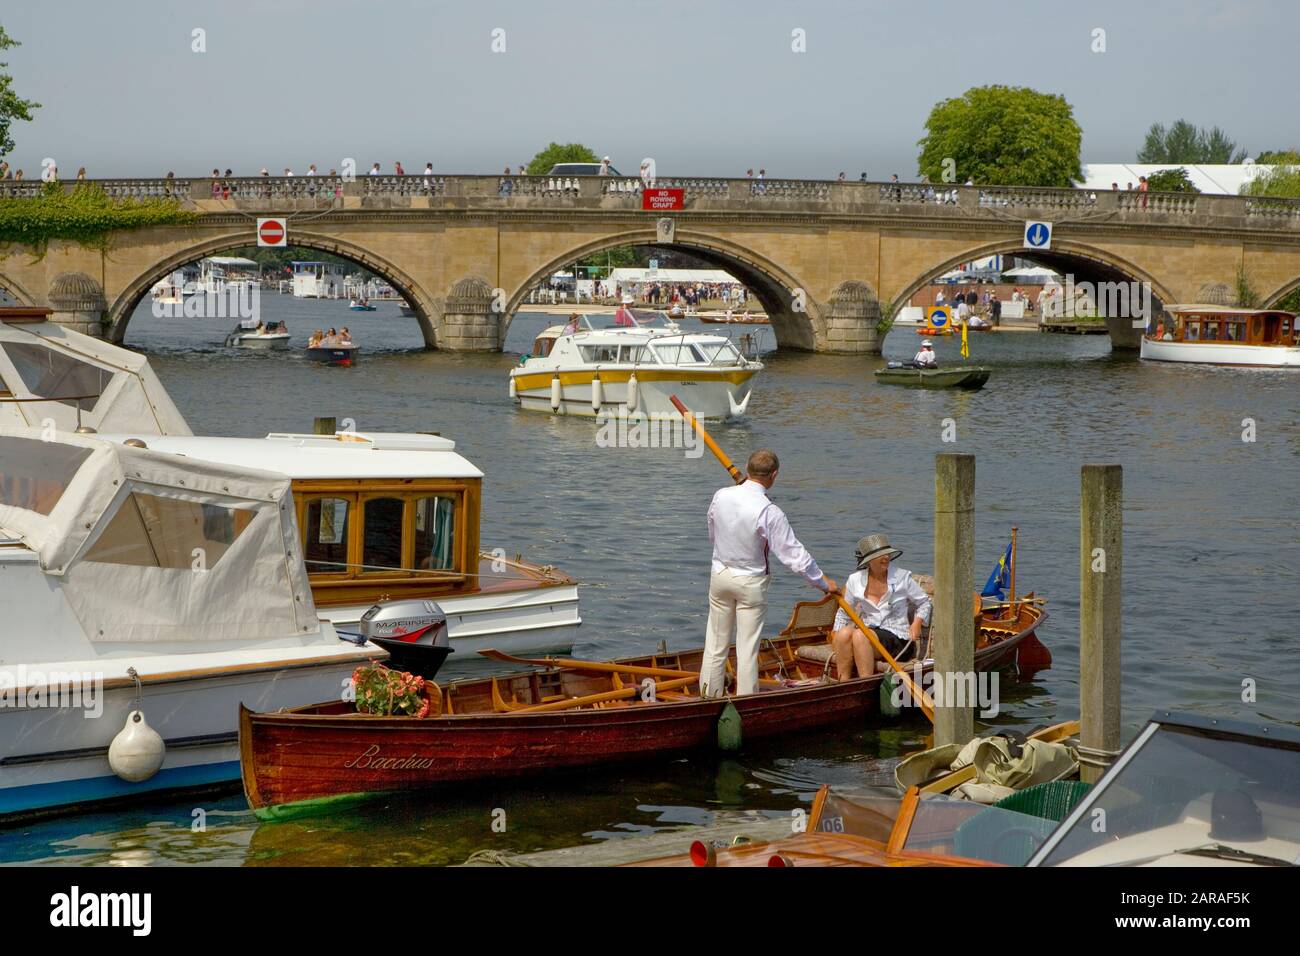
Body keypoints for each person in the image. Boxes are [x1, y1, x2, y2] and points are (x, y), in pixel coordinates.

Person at [701, 450, 837, 698]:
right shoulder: (769, 511)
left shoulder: (721, 496)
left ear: (747, 467)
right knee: (747, 648)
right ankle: (745, 701)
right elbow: (793, 555)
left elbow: (713, 532)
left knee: (715, 644)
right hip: (750, 582)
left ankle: (708, 696)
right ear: (774, 475)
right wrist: (823, 583)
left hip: (720, 574)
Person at [829, 535, 931, 680]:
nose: (886, 557)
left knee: (860, 635)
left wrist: (917, 623)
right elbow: (845, 612)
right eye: (880, 555)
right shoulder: (855, 580)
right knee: (844, 634)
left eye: (888, 553)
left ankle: (865, 683)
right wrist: (836, 632)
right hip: (869, 634)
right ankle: (843, 682)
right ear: (869, 561)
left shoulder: (902, 577)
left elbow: (924, 603)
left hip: (899, 640)